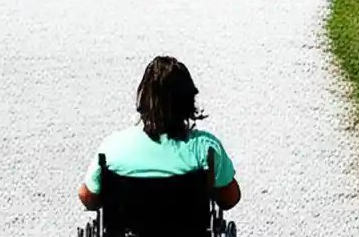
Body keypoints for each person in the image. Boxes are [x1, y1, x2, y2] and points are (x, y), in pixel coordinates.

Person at [77, 55, 241, 211]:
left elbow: (87, 197)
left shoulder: (113, 148)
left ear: (143, 100)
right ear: (188, 101)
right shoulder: (207, 148)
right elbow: (230, 199)